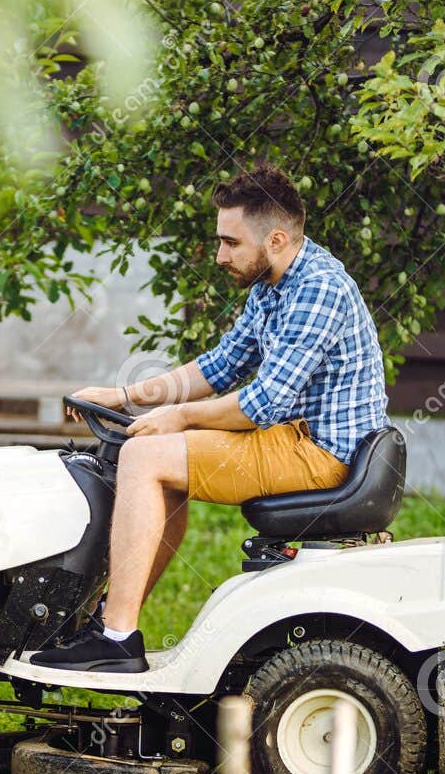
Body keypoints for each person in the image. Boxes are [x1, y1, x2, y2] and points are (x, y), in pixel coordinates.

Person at [28, 164, 390, 673]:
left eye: (230, 242)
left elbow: (260, 404)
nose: (219, 255)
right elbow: (220, 367)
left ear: (277, 239)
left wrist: (175, 418)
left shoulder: (318, 289)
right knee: (160, 469)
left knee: (144, 455)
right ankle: (109, 624)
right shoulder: (275, 283)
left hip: (320, 455)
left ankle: (115, 637)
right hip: (293, 441)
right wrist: (124, 395)